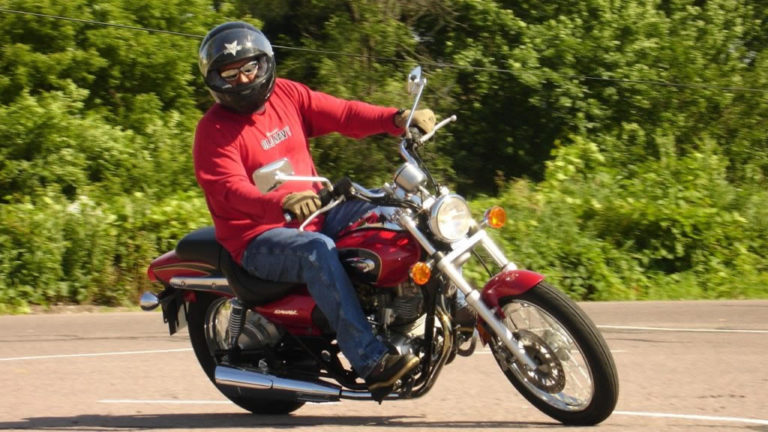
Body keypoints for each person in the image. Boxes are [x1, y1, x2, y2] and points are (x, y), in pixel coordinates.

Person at [193, 21, 436, 399]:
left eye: (250, 68)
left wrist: (395, 119)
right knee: (317, 250)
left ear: (264, 63)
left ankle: (433, 304)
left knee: (394, 210)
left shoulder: (286, 95)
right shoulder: (213, 131)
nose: (243, 79)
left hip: (317, 213)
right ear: (216, 79)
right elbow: (228, 191)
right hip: (256, 238)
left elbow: (342, 114)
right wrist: (281, 202)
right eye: (231, 73)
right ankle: (370, 361)